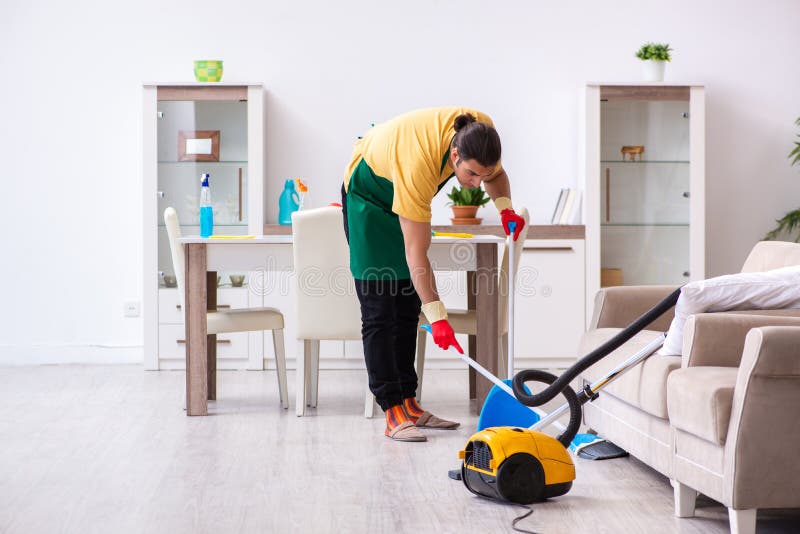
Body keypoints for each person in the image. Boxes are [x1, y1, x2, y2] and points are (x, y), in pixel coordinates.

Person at [341, 107, 525, 442]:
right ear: (455, 154)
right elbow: (418, 256)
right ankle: (391, 407)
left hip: (398, 189)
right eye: (470, 175)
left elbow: (496, 175)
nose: (475, 185)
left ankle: (409, 402)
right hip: (369, 197)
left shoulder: (481, 134)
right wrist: (439, 317)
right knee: (381, 308)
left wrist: (505, 209)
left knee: (408, 304)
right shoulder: (418, 167)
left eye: (481, 178)